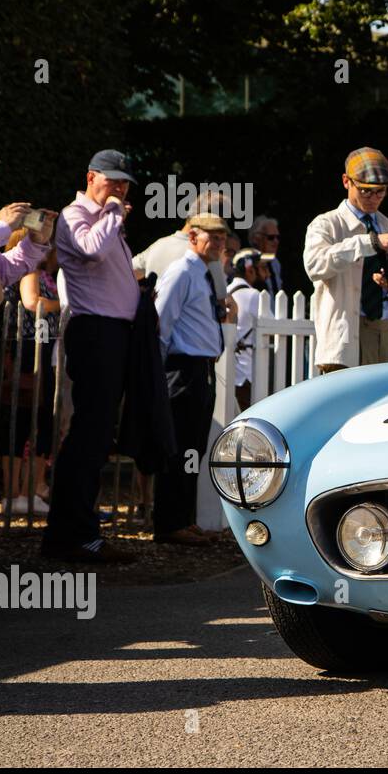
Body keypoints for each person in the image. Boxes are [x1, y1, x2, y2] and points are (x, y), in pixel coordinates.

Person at [43, 150, 140, 563]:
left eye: (124, 183)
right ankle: (72, 536)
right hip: (95, 330)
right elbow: (91, 252)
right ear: (90, 177)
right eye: (112, 180)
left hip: (112, 332)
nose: (118, 189)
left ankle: (77, 532)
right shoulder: (75, 215)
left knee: (98, 436)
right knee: (88, 436)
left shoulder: (103, 217)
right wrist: (115, 214)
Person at [152, 213, 230, 546]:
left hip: (201, 369)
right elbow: (161, 322)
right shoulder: (182, 271)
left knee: (193, 449)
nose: (218, 244)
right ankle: (170, 523)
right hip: (182, 370)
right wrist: (158, 372)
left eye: (222, 238)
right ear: (193, 237)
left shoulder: (204, 273)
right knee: (180, 447)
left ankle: (185, 518)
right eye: (212, 238)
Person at [303, 148, 388, 373]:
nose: (374, 198)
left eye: (380, 192)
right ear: (346, 182)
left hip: (387, 332)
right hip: (347, 336)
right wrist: (369, 242)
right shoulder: (326, 224)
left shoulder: (387, 226)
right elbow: (314, 266)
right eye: (365, 191)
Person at [0, 230, 60, 515]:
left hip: (37, 349)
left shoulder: (35, 272)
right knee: (27, 420)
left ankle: (26, 491)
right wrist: (66, 306)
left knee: (30, 421)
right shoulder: (30, 272)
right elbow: (33, 303)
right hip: (31, 350)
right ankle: (20, 492)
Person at [226, 247, 268, 410]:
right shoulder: (254, 295)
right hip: (247, 375)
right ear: (250, 269)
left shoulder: (227, 292)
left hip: (230, 372)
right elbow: (275, 326)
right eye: (263, 268)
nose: (268, 274)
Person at [248, 216, 284, 297]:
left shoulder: (275, 263)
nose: (276, 241)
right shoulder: (249, 262)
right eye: (271, 237)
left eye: (278, 237)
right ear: (256, 238)